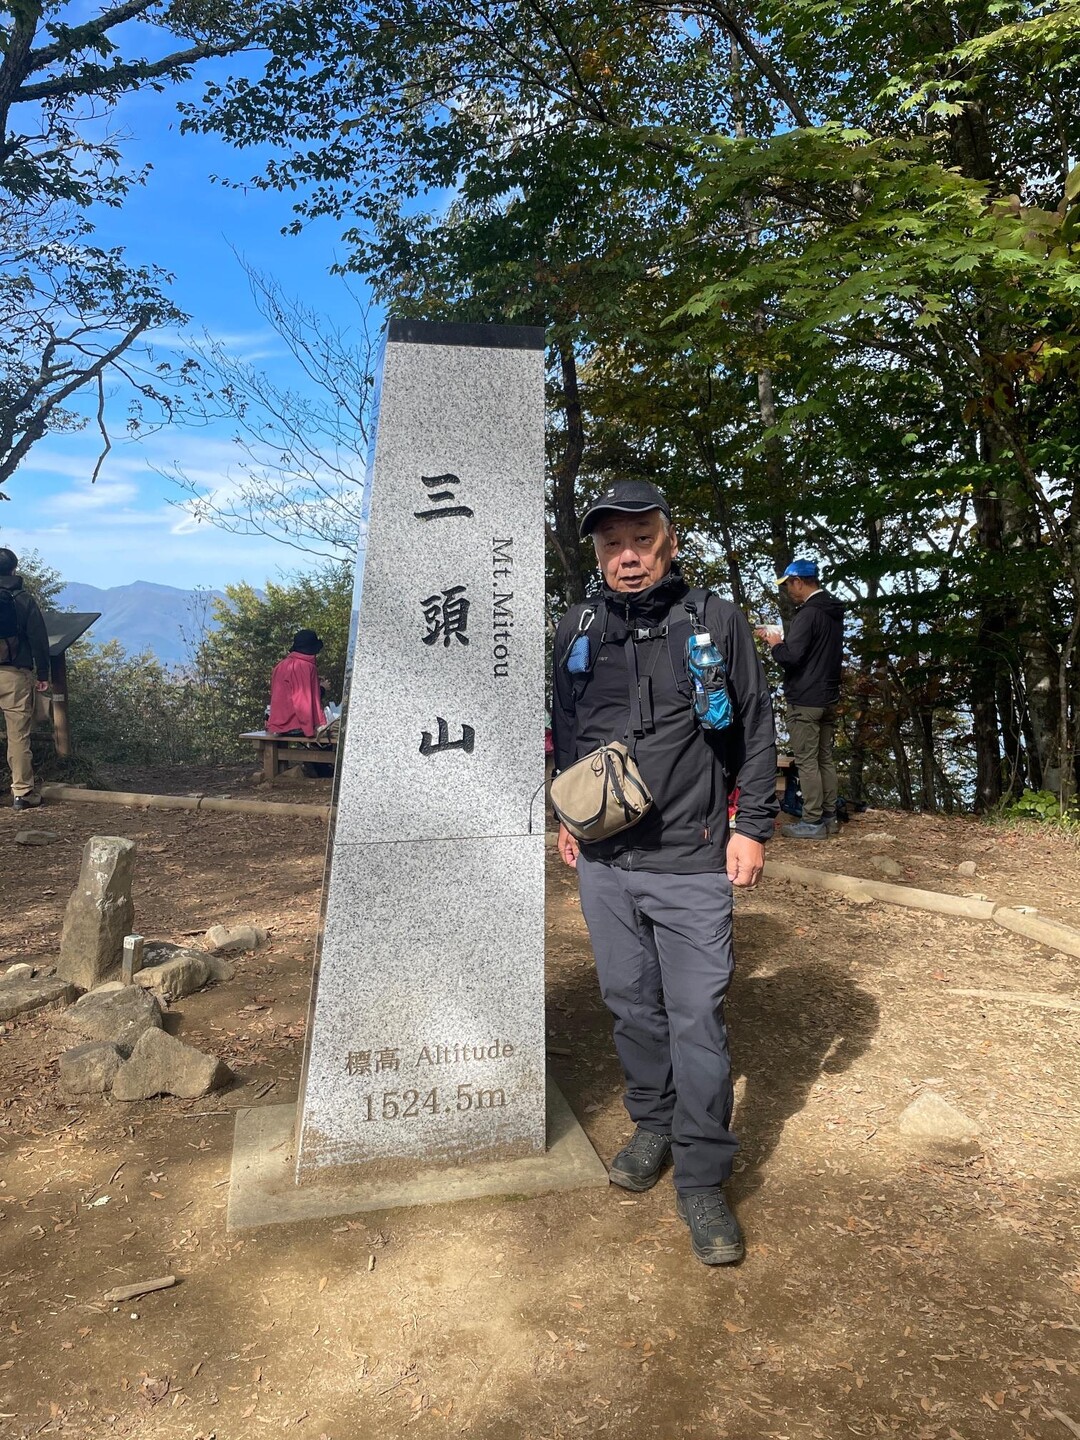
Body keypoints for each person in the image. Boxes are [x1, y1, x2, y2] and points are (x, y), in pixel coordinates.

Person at [551, 480, 778, 1267]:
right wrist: (569, 815)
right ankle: (653, 1121)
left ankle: (704, 1175)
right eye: (612, 543)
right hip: (605, 859)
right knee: (629, 1004)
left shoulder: (714, 620)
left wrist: (751, 827)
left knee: (695, 1017)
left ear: (670, 542)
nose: (628, 556)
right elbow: (567, 725)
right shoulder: (579, 626)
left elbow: (755, 724)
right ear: (598, 554)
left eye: (641, 539)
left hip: (691, 853)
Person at [756, 559, 844, 840]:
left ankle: (812, 821)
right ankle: (829, 817)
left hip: (805, 698)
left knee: (807, 761)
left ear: (798, 582)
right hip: (828, 696)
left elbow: (791, 657)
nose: (788, 591)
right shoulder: (832, 611)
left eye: (788, 585)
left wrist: (775, 644)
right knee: (824, 758)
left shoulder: (808, 614)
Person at [0, 548, 51, 811]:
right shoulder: (23, 600)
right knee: (18, 735)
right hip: (14, 674)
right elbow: (39, 640)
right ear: (14, 570)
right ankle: (21, 792)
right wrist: (43, 674)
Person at [267, 629, 327, 738]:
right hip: (296, 726)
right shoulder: (306, 666)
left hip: (278, 726)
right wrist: (312, 729)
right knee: (328, 744)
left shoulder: (280, 666)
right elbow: (302, 700)